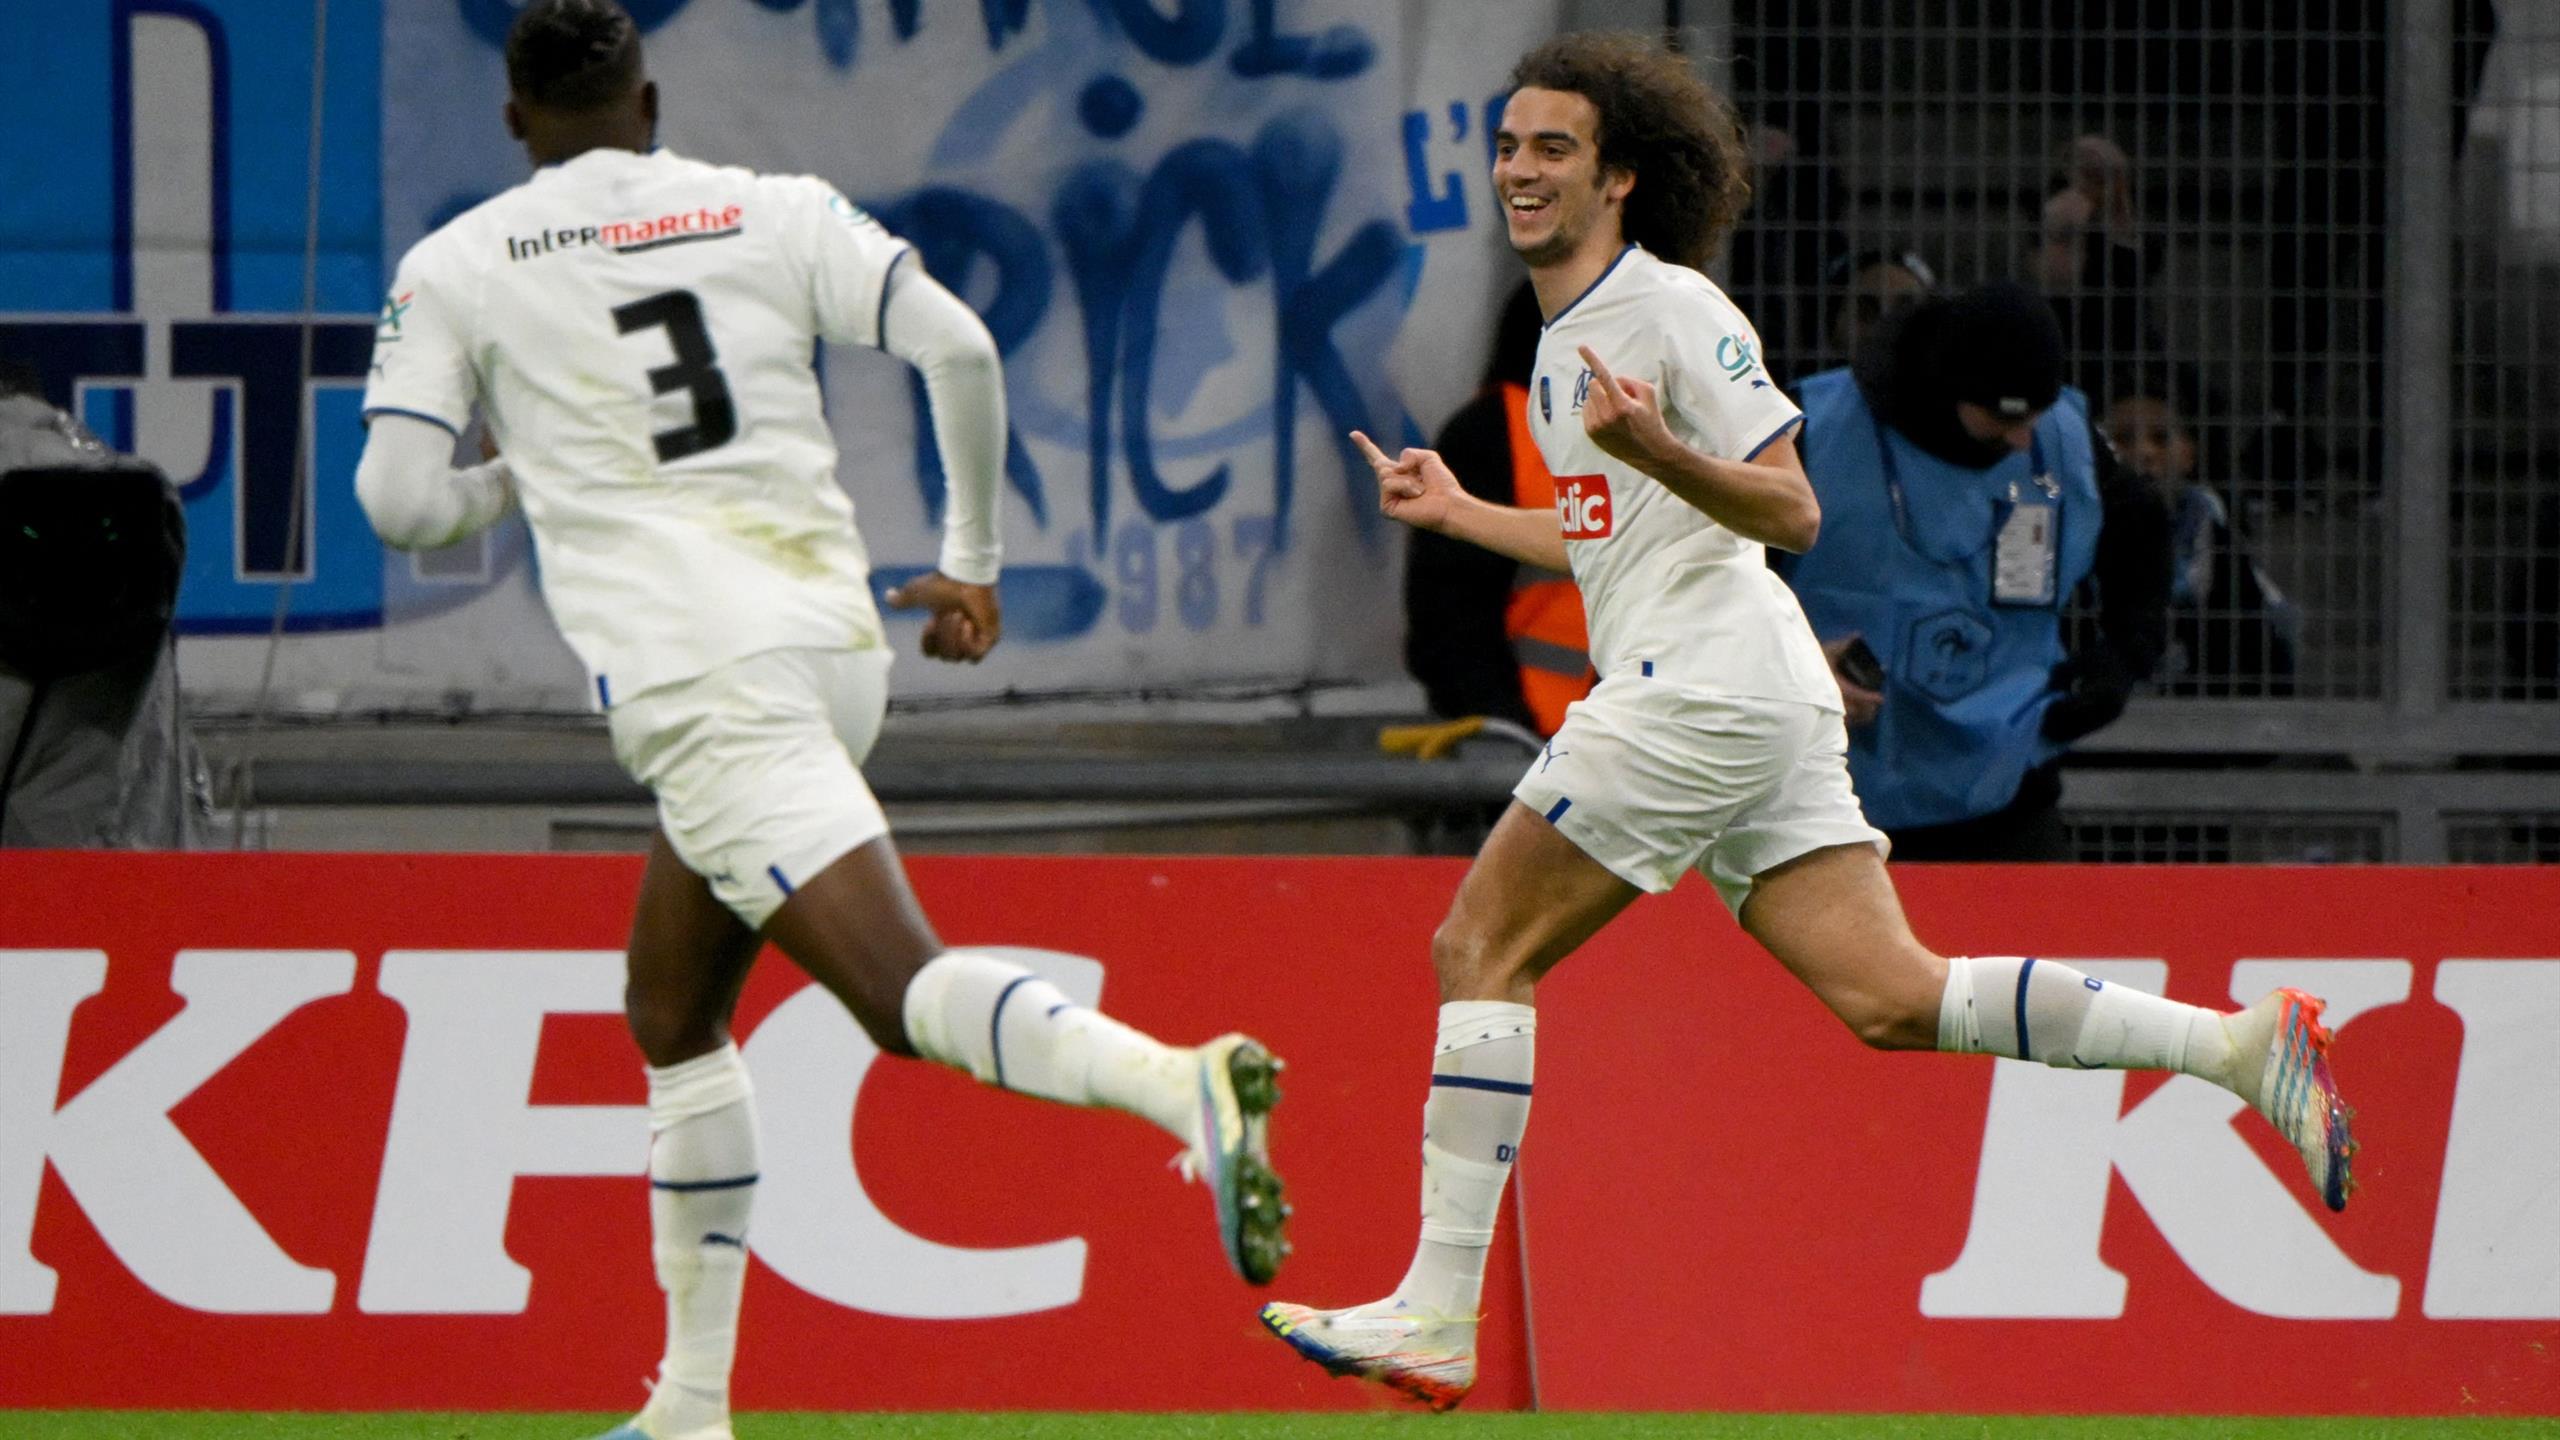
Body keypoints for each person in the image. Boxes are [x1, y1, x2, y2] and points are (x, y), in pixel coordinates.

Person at [1257, 33, 2354, 1413]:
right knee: (1892, 998)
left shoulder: (1671, 310)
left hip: (1695, 686)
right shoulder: (1567, 334)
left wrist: (1661, 447)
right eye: (1509, 146)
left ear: (1620, 177)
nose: (1520, 170)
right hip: (1743, 686)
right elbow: (1613, 539)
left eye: (1554, 149)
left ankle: (1433, 1312)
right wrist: (1466, 511)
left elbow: (1791, 505)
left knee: (1479, 946)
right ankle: (2238, 1048)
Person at [354, 6, 1286, 1438]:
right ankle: (689, 1407)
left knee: (900, 997)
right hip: (827, 646)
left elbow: (402, 504)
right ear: (648, 102)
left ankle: (1179, 1085)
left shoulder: (458, 264)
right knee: (672, 1012)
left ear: (513, 120)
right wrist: (972, 562)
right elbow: (960, 346)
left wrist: (515, 471)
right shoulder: (769, 208)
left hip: (700, 679)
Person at [1777, 283, 2171, 862]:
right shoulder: (1808, 431)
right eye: (2004, 417)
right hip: (1826, 787)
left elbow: (2142, 538)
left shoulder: (2062, 436)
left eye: (2037, 415)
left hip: (2005, 782)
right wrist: (1790, 670)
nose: (2023, 440)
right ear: (1947, 390)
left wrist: (2122, 657)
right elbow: (1712, 577)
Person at [1402, 281, 1593, 737]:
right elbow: (1450, 618)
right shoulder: (1491, 435)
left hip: (1611, 736)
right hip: (1532, 739)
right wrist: (1505, 728)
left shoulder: (1638, 437)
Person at [2099, 382, 2300, 696]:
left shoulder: (2203, 512)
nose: (2144, 453)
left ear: (2188, 454)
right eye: (2123, 440)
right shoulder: (2083, 514)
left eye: (2161, 439)